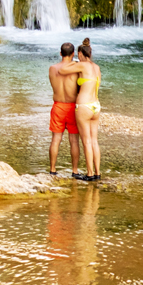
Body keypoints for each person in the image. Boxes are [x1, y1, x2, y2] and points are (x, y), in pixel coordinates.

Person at [47, 42, 83, 177]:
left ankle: (52, 170)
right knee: (74, 141)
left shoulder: (52, 68)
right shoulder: (76, 68)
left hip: (58, 106)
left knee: (56, 139)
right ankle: (74, 171)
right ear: (73, 54)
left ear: (60, 53)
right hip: (73, 107)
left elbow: (53, 85)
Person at [74, 37, 103, 182]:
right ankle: (98, 172)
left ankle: (90, 174)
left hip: (84, 105)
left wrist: (74, 63)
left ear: (80, 54)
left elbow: (64, 68)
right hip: (96, 106)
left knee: (86, 141)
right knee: (94, 141)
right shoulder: (96, 67)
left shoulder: (81, 65)